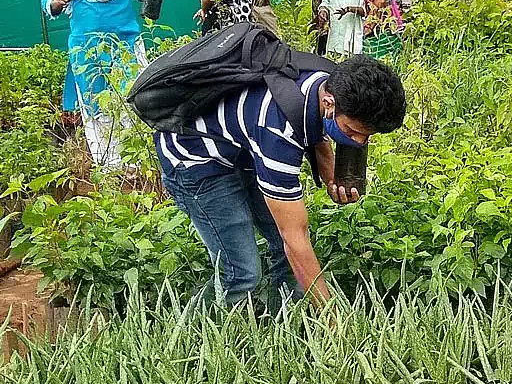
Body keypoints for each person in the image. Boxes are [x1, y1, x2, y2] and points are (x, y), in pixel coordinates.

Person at [155, 55, 406, 309]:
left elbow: (313, 130)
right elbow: (294, 237)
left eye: (367, 136)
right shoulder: (278, 133)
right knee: (242, 273)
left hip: (242, 149)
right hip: (193, 159)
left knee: (286, 254)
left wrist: (332, 178)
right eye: (352, 131)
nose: (358, 142)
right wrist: (334, 321)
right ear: (329, 102)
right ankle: (190, 332)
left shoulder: (323, 79)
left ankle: (284, 322)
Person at [42, 0, 154, 168]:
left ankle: (136, 161)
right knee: (94, 103)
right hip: (87, 47)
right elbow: (48, 0)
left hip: (125, 41)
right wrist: (58, 1)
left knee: (132, 97)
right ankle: (109, 164)